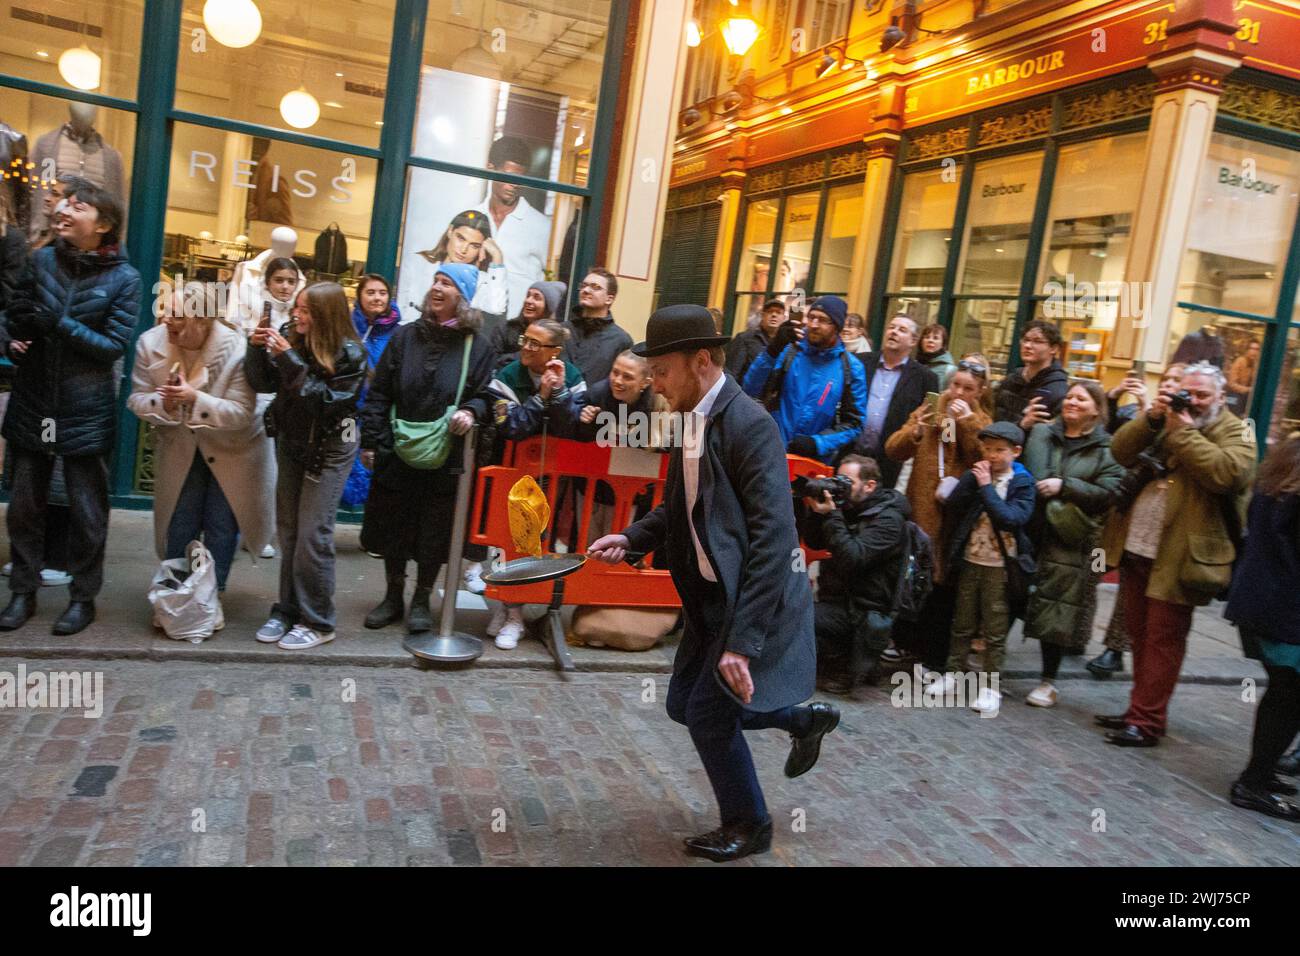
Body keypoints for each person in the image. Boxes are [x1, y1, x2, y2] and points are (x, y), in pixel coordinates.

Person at [587, 304, 838, 863]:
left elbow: (776, 543)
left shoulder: (751, 425)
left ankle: (750, 824)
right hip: (706, 597)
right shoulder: (686, 419)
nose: (654, 380)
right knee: (684, 703)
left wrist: (742, 646)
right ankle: (802, 717)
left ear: (702, 361)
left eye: (663, 369)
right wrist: (631, 539)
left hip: (752, 600)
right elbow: (680, 508)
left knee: (707, 713)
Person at [0, 181, 139, 635]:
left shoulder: (125, 279)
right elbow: (13, 312)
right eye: (64, 203)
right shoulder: (40, 260)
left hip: (85, 407)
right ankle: (23, 591)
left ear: (102, 224)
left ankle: (83, 598)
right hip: (35, 401)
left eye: (77, 206)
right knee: (24, 505)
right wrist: (12, 340)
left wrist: (58, 324)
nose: (63, 209)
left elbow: (113, 346)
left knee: (86, 509)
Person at [1096, 362, 1255, 746]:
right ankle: (1140, 710)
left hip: (1183, 554)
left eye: (1203, 395)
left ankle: (1147, 722)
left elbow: (1228, 474)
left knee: (1164, 638)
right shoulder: (1165, 419)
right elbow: (1120, 450)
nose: (1194, 401)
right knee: (1139, 634)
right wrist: (1151, 417)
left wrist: (1182, 431)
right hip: (1139, 543)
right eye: (1188, 393)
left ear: (1221, 397)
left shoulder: (1236, 430)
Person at [358, 263, 496, 636]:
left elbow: (487, 395)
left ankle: (421, 600)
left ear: (462, 297)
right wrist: (372, 441)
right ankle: (391, 596)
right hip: (397, 449)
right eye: (435, 281)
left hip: (446, 456)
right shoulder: (404, 338)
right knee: (394, 525)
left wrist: (471, 410)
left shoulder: (479, 346)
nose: (437, 288)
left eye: (447, 284)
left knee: (435, 530)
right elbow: (380, 390)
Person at [126, 296, 271, 607]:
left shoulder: (236, 348)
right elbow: (136, 398)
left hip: (234, 447)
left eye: (177, 316)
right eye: (166, 312)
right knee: (180, 520)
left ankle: (209, 598)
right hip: (181, 446)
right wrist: (163, 403)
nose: (166, 320)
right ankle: (176, 593)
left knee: (221, 523)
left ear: (202, 321)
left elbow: (241, 412)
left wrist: (193, 398)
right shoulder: (149, 343)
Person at [245, 282, 365, 649]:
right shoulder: (287, 336)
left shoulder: (351, 354)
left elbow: (327, 402)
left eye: (305, 310)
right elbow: (261, 381)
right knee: (290, 531)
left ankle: (318, 621)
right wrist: (255, 350)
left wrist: (287, 360)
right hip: (293, 441)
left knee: (314, 535)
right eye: (296, 307)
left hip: (330, 446)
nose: (296, 315)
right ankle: (287, 609)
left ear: (324, 316)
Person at [482, 318, 586, 649]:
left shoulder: (572, 376)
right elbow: (509, 425)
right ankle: (505, 605)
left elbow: (573, 426)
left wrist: (557, 392)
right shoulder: (507, 375)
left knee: (533, 543)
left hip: (552, 478)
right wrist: (539, 397)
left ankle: (517, 612)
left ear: (555, 351)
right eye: (525, 340)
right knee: (504, 540)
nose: (525, 348)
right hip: (511, 473)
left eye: (535, 344)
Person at [1020, 381, 1125, 707]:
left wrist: (1066, 486)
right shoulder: (1039, 433)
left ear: (1096, 408)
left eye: (1081, 398)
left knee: (1057, 609)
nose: (1072, 402)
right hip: (1028, 528)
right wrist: (1021, 427)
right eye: (1069, 397)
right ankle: (986, 675)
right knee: (1007, 597)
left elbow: (1110, 491)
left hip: (1069, 538)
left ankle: (1048, 682)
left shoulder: (1108, 448)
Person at [884, 358, 992, 669]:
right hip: (921, 509)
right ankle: (903, 642)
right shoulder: (931, 406)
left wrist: (968, 422)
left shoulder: (982, 420)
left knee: (942, 586)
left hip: (954, 516)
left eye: (967, 388)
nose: (958, 392)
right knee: (912, 575)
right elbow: (894, 448)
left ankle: (931, 654)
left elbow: (985, 459)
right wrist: (915, 431)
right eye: (955, 385)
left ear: (980, 391)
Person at [1088, 363, 1185, 678]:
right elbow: (1119, 444)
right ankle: (1102, 645)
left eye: (1176, 381)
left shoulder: (1190, 424)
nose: (1169, 385)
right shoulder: (1148, 415)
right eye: (1166, 378)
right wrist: (1139, 408)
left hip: (1166, 524)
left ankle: (1116, 650)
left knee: (1154, 613)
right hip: (1128, 510)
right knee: (1115, 579)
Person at [935, 421, 1036, 715]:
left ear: (1016, 452)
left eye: (1000, 450)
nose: (992, 456)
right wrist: (970, 479)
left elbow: (1010, 518)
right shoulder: (979, 475)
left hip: (1000, 565)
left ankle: (991, 687)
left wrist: (985, 487)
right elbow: (954, 504)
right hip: (971, 558)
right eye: (988, 449)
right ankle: (953, 673)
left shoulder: (1022, 483)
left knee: (994, 628)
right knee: (962, 621)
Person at [1224, 433, 1300, 821]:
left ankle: (1262, 774)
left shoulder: (1280, 476)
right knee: (1288, 696)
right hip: (1285, 610)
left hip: (1263, 603)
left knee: (1284, 693)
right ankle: (1253, 783)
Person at [800, 455, 910, 696]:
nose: (840, 485)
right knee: (790, 607)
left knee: (796, 615)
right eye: (837, 478)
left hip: (863, 610)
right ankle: (834, 659)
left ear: (869, 485)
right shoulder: (851, 506)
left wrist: (832, 515)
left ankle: (846, 665)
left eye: (846, 480)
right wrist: (818, 514)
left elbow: (853, 558)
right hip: (839, 600)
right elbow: (814, 541)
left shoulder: (889, 520)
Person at [740, 295, 866, 465]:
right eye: (811, 317)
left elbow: (854, 423)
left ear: (837, 326)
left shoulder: (851, 367)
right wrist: (772, 350)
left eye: (822, 320)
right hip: (771, 451)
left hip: (812, 464)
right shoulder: (790, 352)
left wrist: (817, 443)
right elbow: (750, 388)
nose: (813, 324)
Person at [851, 314, 939, 487]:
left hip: (890, 462)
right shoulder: (860, 362)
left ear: (913, 341)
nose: (894, 332)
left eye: (902, 330)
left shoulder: (927, 378)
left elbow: (933, 421)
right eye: (892, 327)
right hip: (851, 453)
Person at [342, 273, 402, 510]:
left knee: (372, 463)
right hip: (347, 414)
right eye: (370, 292)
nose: (377, 298)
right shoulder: (346, 327)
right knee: (343, 457)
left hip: (378, 415)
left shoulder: (399, 333)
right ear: (359, 296)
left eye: (382, 292)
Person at [476, 136, 551, 319]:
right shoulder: (473, 217)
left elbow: (549, 283)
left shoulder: (541, 226)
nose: (515, 185)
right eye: (509, 177)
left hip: (515, 331)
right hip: (473, 326)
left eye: (520, 179)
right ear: (491, 169)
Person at [411, 210, 508, 320]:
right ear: (450, 231)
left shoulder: (477, 280)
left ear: (481, 249)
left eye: (474, 246)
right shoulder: (420, 263)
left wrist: (497, 257)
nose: (464, 250)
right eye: (461, 238)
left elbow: (496, 307)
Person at [994, 319, 1070, 430]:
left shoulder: (1058, 390)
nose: (1028, 345)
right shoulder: (1010, 380)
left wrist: (1024, 424)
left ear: (1054, 348)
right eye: (1026, 340)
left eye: (1037, 341)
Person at [561, 267, 632, 385]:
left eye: (595, 287)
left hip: (600, 403)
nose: (586, 290)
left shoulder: (621, 340)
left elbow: (626, 393)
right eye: (583, 285)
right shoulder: (561, 330)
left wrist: (621, 405)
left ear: (609, 299)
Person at [488, 279, 567, 371]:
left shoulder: (555, 337)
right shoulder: (505, 329)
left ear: (548, 308)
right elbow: (491, 362)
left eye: (536, 298)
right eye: (528, 295)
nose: (528, 301)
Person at [724, 298, 785, 381]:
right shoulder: (744, 338)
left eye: (778, 312)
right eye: (770, 311)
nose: (774, 315)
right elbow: (732, 373)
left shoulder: (785, 344)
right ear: (762, 315)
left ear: (784, 318)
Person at [1226, 340, 1261, 416]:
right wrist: (1248, 390)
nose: (1254, 352)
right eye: (1252, 349)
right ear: (1247, 350)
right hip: (1233, 395)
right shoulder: (1239, 361)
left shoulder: (1257, 365)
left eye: (1257, 349)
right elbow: (1232, 384)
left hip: (1247, 396)